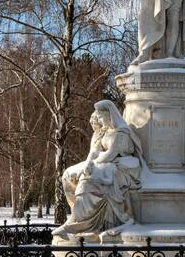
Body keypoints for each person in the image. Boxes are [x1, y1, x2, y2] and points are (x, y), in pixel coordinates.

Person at [52, 101, 145, 238]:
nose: (98, 120)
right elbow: (94, 152)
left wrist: (91, 165)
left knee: (88, 178)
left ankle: (77, 223)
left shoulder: (121, 133)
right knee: (68, 174)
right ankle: (78, 214)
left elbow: (110, 155)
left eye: (100, 117)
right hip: (105, 163)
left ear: (110, 115)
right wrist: (88, 163)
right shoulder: (102, 133)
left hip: (120, 165)